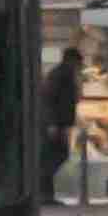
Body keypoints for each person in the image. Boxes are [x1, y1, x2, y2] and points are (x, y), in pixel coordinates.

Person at [40, 44, 84, 205]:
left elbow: (70, 100)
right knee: (55, 156)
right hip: (54, 124)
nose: (80, 66)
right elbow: (49, 99)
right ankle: (45, 195)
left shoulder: (65, 75)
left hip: (59, 123)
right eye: (79, 62)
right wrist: (52, 123)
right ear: (72, 61)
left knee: (55, 156)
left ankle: (46, 195)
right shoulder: (60, 75)